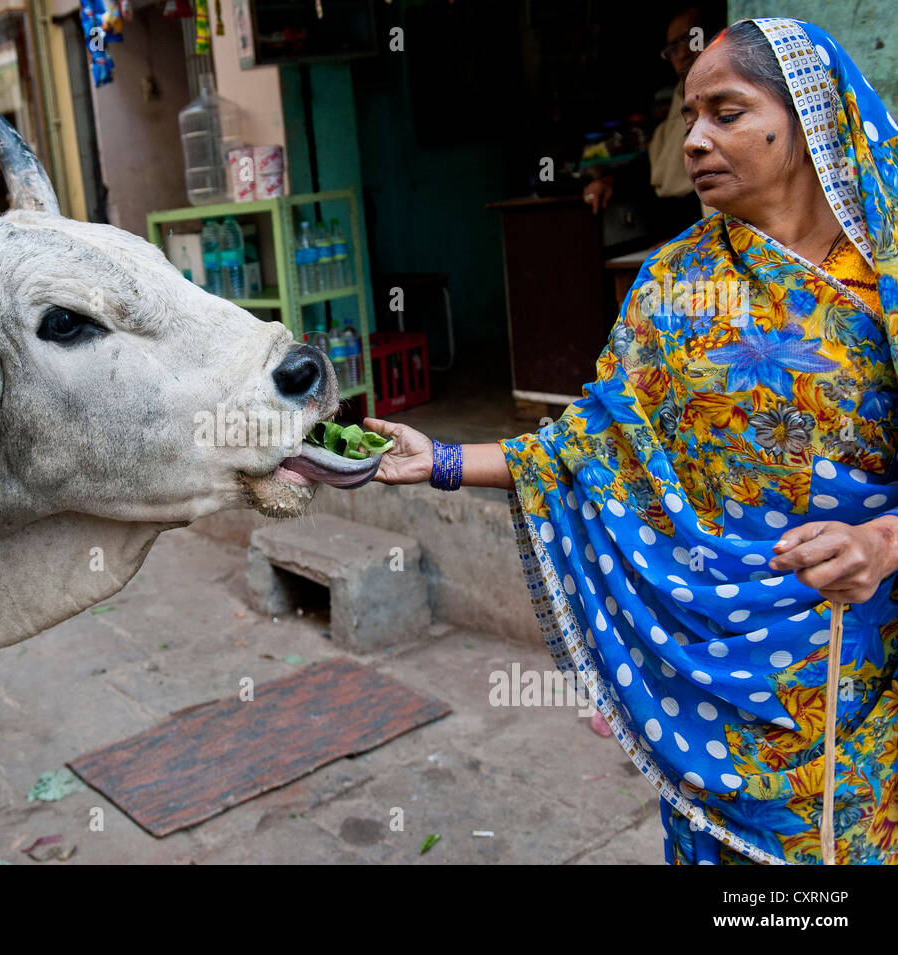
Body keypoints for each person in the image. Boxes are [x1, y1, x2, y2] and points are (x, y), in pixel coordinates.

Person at [367, 18, 898, 864]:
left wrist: (881, 540)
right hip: (713, 680)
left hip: (862, 664)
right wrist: (436, 459)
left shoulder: (885, 277)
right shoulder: (675, 284)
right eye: (690, 116)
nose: (694, 140)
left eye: (726, 112)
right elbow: (595, 447)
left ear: (810, 120)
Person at [583, 6, 721, 240]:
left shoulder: (725, 94)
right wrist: (608, 180)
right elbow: (652, 167)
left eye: (690, 39)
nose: (683, 53)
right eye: (673, 48)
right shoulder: (678, 105)